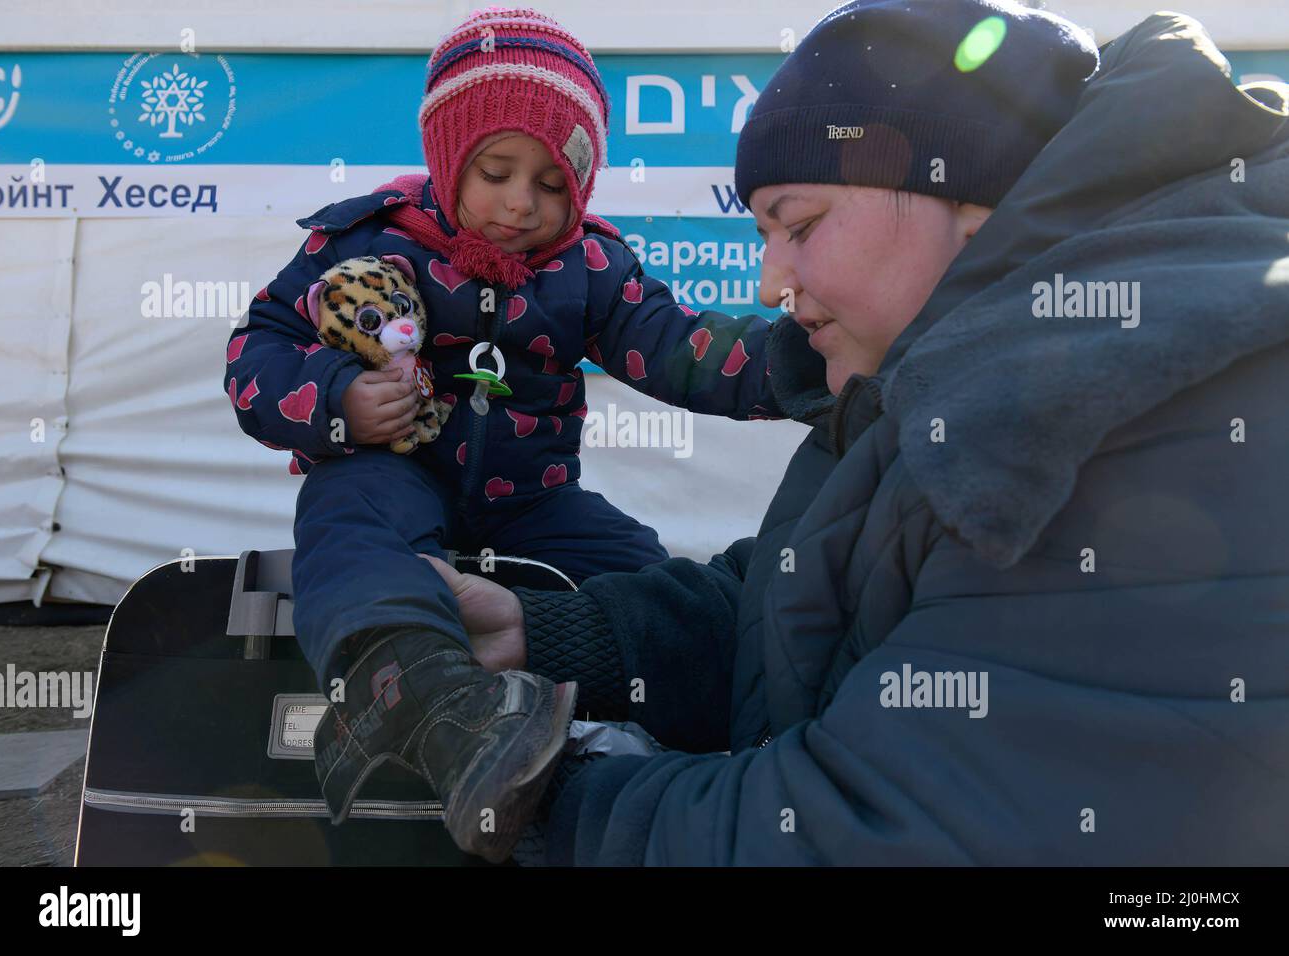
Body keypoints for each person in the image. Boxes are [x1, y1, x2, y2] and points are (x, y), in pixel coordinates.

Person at [421, 0, 1289, 864]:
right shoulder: (952, 385)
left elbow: (858, 832)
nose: (768, 283)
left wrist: (547, 795)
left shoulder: (1133, 407)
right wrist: (554, 634)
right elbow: (810, 603)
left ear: (972, 201)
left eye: (799, 226)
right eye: (762, 235)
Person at [222, 6, 786, 861]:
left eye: (554, 183)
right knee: (350, 529)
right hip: (392, 469)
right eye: (495, 171)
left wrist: (810, 360)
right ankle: (421, 695)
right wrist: (338, 397)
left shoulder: (591, 267)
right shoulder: (371, 240)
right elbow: (256, 352)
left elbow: (677, 349)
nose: (522, 204)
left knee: (646, 569)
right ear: (451, 157)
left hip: (532, 501)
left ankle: (702, 739)